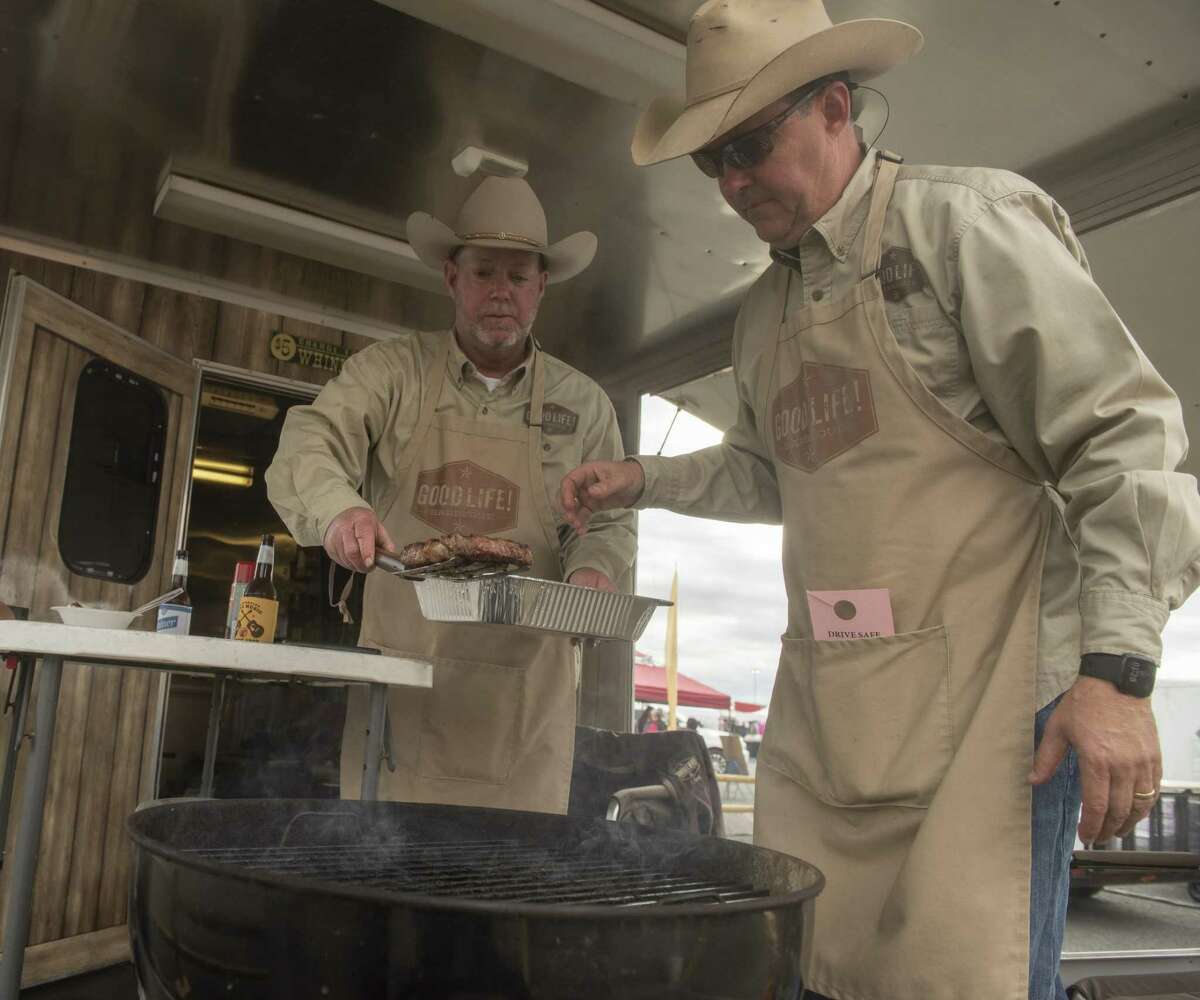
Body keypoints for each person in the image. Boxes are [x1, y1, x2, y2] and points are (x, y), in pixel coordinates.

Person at [559, 2, 1200, 998]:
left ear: (834, 105)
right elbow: (776, 471)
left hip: (994, 724)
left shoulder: (964, 228)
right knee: (814, 975)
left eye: (748, 146)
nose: (730, 182)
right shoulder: (763, 311)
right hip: (826, 726)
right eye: (709, 162)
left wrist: (1116, 674)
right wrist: (647, 479)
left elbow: (1123, 437)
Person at [267, 175, 636, 815]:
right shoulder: (391, 373)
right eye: (484, 271)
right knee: (389, 887)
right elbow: (310, 442)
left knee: (510, 892)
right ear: (450, 277)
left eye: (519, 277)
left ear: (541, 287)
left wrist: (596, 570)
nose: (501, 292)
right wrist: (340, 510)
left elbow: (605, 524)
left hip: (525, 709)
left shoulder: (585, 405)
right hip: (400, 698)